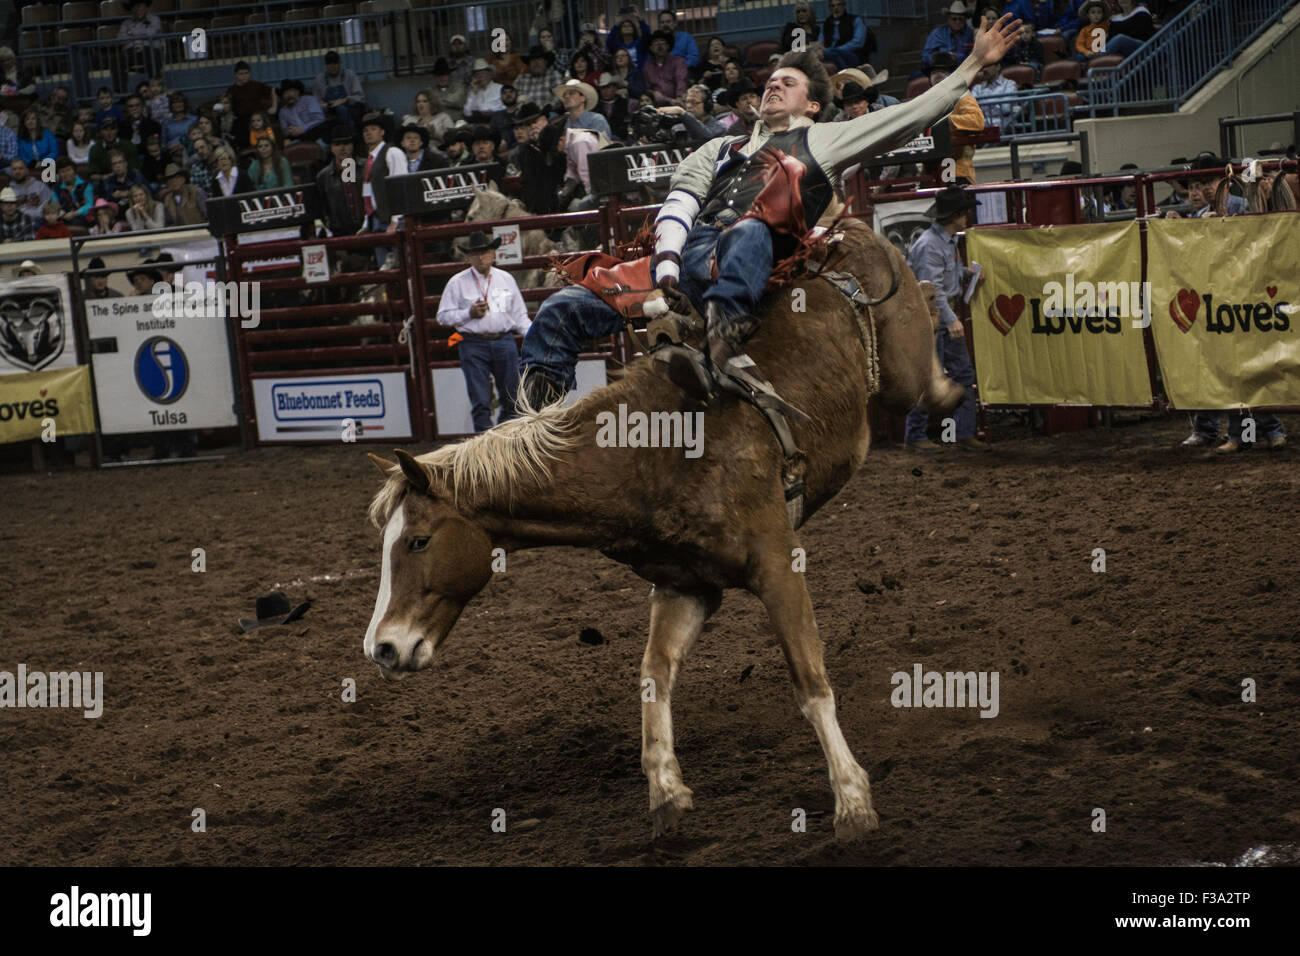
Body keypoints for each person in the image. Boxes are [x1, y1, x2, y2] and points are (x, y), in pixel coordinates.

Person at [518, 15, 1023, 409]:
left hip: (758, 251)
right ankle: (537, 429)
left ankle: (722, 342)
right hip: (686, 258)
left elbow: (909, 115)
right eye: (771, 80)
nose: (774, 85)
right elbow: (680, 203)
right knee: (562, 310)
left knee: (750, 228)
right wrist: (667, 263)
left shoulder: (823, 139)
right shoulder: (718, 150)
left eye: (789, 82)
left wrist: (973, 64)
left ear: (812, 106)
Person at [904, 186, 985, 451]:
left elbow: (939, 279)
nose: (968, 216)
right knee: (936, 375)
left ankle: (954, 433)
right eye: (965, 212)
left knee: (948, 374)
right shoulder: (931, 245)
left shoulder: (940, 242)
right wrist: (951, 319)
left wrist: (965, 273)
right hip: (934, 318)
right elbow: (932, 288)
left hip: (939, 316)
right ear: (957, 215)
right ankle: (921, 436)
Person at [437, 231, 530, 432]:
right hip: (473, 342)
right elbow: (442, 317)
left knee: (512, 398)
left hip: (503, 340)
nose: (481, 257)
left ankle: (503, 442)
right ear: (468, 257)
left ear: (493, 254)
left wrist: (532, 335)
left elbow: (520, 315)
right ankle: (486, 448)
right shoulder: (457, 282)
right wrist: (467, 313)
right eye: (476, 253)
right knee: (481, 401)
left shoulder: (506, 279)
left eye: (485, 252)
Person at [360, 112, 405, 265]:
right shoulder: (368, 160)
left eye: (373, 129)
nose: (369, 133)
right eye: (366, 130)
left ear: (382, 132)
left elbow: (400, 186)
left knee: (400, 265)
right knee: (383, 269)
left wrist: (396, 220)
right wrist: (367, 222)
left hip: (392, 219)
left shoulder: (393, 152)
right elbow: (368, 192)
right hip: (376, 219)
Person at [316, 126, 366, 237]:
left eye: (347, 143)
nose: (343, 148)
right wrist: (328, 225)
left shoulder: (366, 167)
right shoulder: (323, 177)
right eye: (337, 144)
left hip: (367, 227)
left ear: (352, 145)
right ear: (331, 148)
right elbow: (322, 207)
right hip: (340, 232)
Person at [516, 106, 563, 214]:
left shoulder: (560, 141)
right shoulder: (524, 151)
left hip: (562, 201)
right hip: (536, 209)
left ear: (546, 120)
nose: (532, 126)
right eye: (528, 124)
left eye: (535, 121)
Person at [227, 62, 277, 146]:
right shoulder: (232, 90)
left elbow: (273, 90)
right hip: (242, 121)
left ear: (250, 73)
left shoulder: (257, 85)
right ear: (236, 75)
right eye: (241, 74)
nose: (244, 76)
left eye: (246, 73)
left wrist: (274, 106)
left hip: (259, 119)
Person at [315, 51, 366, 129]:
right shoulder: (320, 79)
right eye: (329, 64)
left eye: (335, 63)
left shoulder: (349, 75)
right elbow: (316, 103)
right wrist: (322, 105)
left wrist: (344, 100)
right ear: (325, 65)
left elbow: (360, 97)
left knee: (343, 110)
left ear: (340, 63)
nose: (333, 67)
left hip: (349, 111)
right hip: (329, 111)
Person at [822, 0, 877, 70]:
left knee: (829, 53)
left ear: (844, 6)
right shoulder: (827, 23)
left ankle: (847, 74)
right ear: (829, 8)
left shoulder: (856, 20)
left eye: (839, 5)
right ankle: (848, 75)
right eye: (832, 6)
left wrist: (837, 49)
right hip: (831, 54)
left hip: (852, 54)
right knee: (826, 54)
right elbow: (821, 41)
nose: (836, 8)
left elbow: (858, 42)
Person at [118, 0, 163, 79]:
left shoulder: (154, 19)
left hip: (149, 50)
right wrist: (142, 34)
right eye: (135, 7)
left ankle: (155, 85)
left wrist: (131, 33)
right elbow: (121, 39)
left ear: (146, 8)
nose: (138, 9)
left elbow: (151, 33)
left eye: (140, 6)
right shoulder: (126, 23)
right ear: (131, 9)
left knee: (153, 55)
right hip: (131, 52)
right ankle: (121, 90)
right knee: (117, 61)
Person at [923, 2, 975, 69]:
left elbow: (974, 56)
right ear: (948, 19)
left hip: (963, 70)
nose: (957, 22)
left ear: (965, 20)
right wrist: (942, 58)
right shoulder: (938, 33)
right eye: (954, 19)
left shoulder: (970, 33)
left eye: (961, 19)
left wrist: (956, 57)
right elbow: (926, 56)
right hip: (940, 70)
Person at [642, 31, 688, 107]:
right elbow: (647, 89)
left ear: (668, 46)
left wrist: (679, 98)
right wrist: (666, 99)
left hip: (678, 101)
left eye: (663, 42)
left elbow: (681, 80)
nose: (659, 45)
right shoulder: (647, 68)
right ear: (650, 48)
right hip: (657, 104)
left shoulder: (678, 61)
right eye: (655, 42)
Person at [279, 79, 329, 145]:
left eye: (290, 91)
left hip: (315, 132)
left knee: (320, 143)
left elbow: (320, 118)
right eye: (285, 93)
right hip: (297, 137)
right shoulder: (283, 111)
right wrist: (292, 131)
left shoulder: (309, 100)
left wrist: (303, 128)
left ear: (297, 91)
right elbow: (284, 131)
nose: (288, 95)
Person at [8, 158, 51, 226]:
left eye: (20, 168)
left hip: (39, 220)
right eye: (14, 169)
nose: (17, 172)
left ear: (27, 170)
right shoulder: (9, 191)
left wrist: (35, 215)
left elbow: (47, 204)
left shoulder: (40, 186)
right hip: (18, 223)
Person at [53, 157, 93, 224]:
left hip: (82, 216)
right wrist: (63, 215)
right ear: (58, 174)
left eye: (68, 170)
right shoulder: (56, 189)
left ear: (74, 170)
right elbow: (55, 206)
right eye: (62, 172)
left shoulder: (86, 185)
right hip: (64, 217)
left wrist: (75, 213)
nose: (66, 174)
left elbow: (89, 205)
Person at [595, 72, 632, 142]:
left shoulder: (624, 103)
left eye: (608, 87)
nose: (605, 91)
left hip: (622, 140)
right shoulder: (596, 106)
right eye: (603, 88)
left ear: (615, 88)